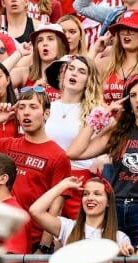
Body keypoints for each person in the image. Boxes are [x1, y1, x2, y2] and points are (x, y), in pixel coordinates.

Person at [0, 87, 71, 252]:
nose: (26, 112)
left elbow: (56, 207)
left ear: (46, 114)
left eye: (33, 107)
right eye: (21, 107)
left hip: (32, 241)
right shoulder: (6, 144)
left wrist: (43, 248)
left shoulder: (59, 156)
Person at [67, 73, 138, 247]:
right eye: (133, 95)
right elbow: (74, 152)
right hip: (115, 209)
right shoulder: (119, 132)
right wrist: (100, 117)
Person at [44, 54, 104, 219]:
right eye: (71, 69)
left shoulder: (97, 111)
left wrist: (102, 159)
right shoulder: (47, 107)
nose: (74, 74)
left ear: (89, 80)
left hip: (79, 181)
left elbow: (111, 144)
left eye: (81, 71)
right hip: (47, 178)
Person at [30, 176, 134, 253]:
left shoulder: (120, 238)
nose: (90, 198)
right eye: (86, 194)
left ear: (108, 202)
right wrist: (63, 185)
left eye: (97, 194)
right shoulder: (68, 227)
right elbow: (35, 211)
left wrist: (126, 253)